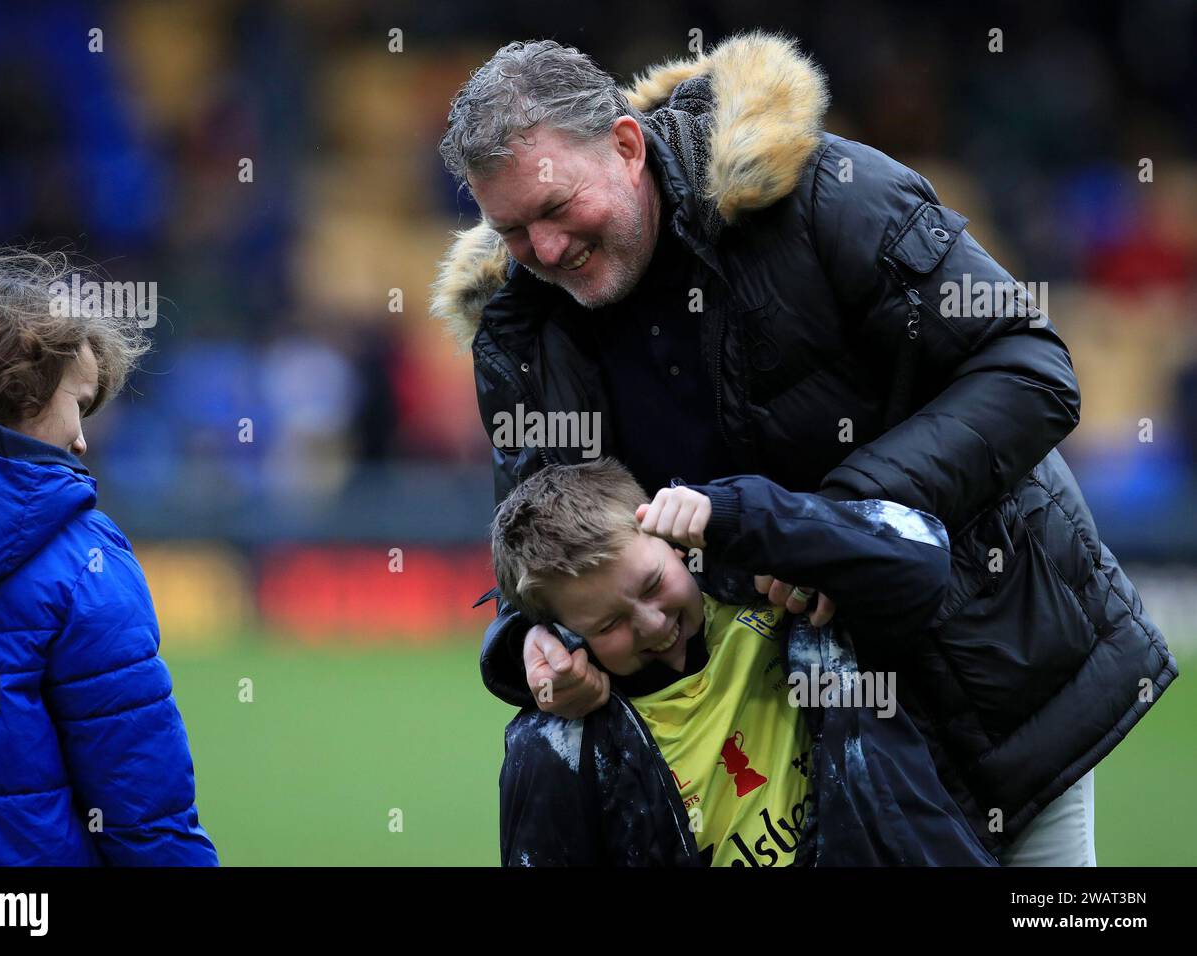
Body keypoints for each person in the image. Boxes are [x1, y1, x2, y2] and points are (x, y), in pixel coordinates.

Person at [432, 31, 1177, 864]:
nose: (544, 251)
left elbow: (1030, 368)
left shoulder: (827, 193)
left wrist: (839, 521)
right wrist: (530, 638)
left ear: (625, 145)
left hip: (986, 681)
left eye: (557, 209)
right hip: (775, 766)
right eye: (512, 229)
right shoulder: (521, 326)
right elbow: (541, 533)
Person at [491, 458, 996, 866]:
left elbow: (924, 558)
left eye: (651, 585)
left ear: (671, 541)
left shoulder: (776, 598)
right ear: (560, 635)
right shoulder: (557, 749)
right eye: (607, 626)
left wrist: (745, 517)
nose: (650, 623)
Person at [0, 249, 218, 865]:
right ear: (23, 393)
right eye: (78, 401)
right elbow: (146, 822)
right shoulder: (84, 563)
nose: (81, 437)